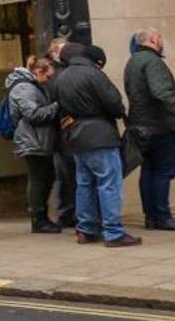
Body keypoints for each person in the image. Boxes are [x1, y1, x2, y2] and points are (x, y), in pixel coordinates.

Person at [53, 42, 140, 247]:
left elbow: (58, 106)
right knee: (109, 184)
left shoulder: (60, 77)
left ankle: (86, 229)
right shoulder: (94, 74)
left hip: (75, 136)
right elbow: (114, 103)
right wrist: (119, 112)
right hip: (100, 135)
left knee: (84, 184)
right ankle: (113, 232)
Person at [124, 28, 175, 231]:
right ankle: (162, 216)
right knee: (162, 171)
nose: (161, 42)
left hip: (140, 127)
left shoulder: (132, 62)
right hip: (159, 127)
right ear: (153, 40)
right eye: (160, 38)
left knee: (148, 171)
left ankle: (150, 217)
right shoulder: (153, 62)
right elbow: (162, 92)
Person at [7, 56, 62, 233]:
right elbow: (32, 114)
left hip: (37, 139)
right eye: (48, 77)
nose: (49, 81)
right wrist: (56, 107)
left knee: (45, 177)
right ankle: (39, 219)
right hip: (32, 140)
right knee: (38, 179)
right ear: (38, 71)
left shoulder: (32, 86)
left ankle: (42, 217)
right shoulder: (25, 87)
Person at [47, 37, 77, 228]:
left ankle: (68, 213)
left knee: (68, 176)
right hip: (62, 133)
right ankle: (66, 214)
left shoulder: (63, 71)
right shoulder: (55, 74)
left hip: (65, 133)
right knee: (66, 176)